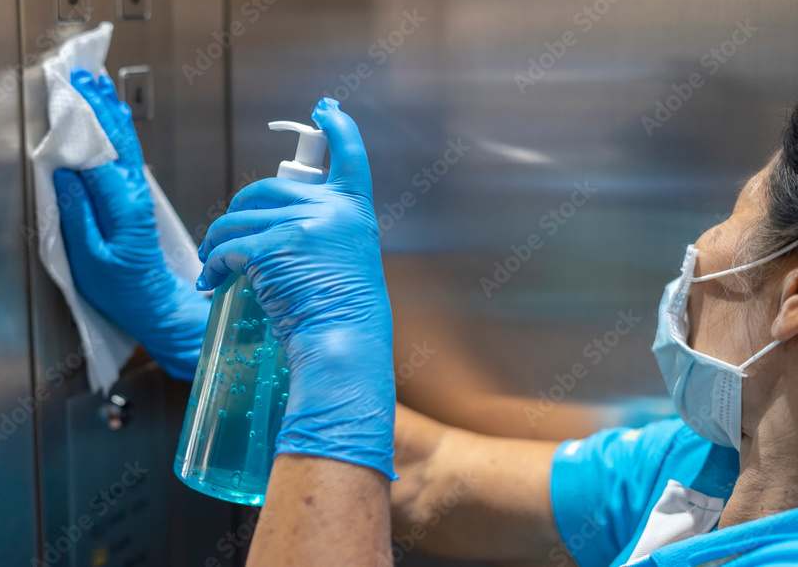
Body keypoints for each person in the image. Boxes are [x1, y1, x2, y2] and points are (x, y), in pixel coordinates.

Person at [53, 69, 798, 566]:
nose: (699, 250)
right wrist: (225, 353)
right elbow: (431, 476)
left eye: (732, 218)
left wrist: (335, 353)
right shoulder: (703, 467)